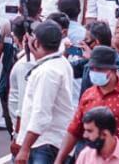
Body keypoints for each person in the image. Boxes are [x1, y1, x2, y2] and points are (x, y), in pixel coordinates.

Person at [58, 47, 119, 163]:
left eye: (98, 69)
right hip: (93, 158)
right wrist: (59, 160)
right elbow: (74, 130)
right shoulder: (88, 95)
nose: (93, 72)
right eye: (92, 68)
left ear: (112, 71)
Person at [13, 21, 77, 164]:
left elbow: (41, 115)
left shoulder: (47, 72)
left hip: (44, 143)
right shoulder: (60, 61)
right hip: (48, 141)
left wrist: (24, 148)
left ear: (36, 42)